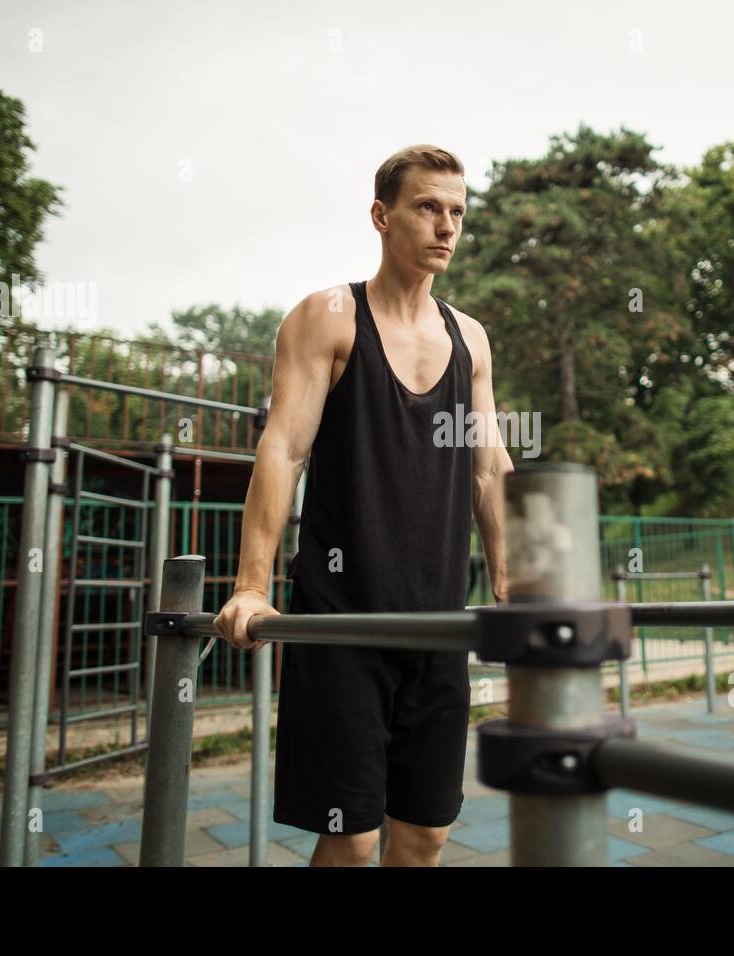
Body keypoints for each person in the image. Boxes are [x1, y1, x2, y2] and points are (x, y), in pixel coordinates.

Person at [213, 145, 513, 867]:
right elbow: (283, 449)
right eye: (428, 208)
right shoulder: (328, 317)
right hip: (341, 622)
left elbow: (488, 467)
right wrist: (252, 585)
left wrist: (515, 582)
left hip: (438, 626)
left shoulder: (470, 338)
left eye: (457, 213)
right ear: (382, 216)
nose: (446, 226)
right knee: (352, 841)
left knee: (425, 836)